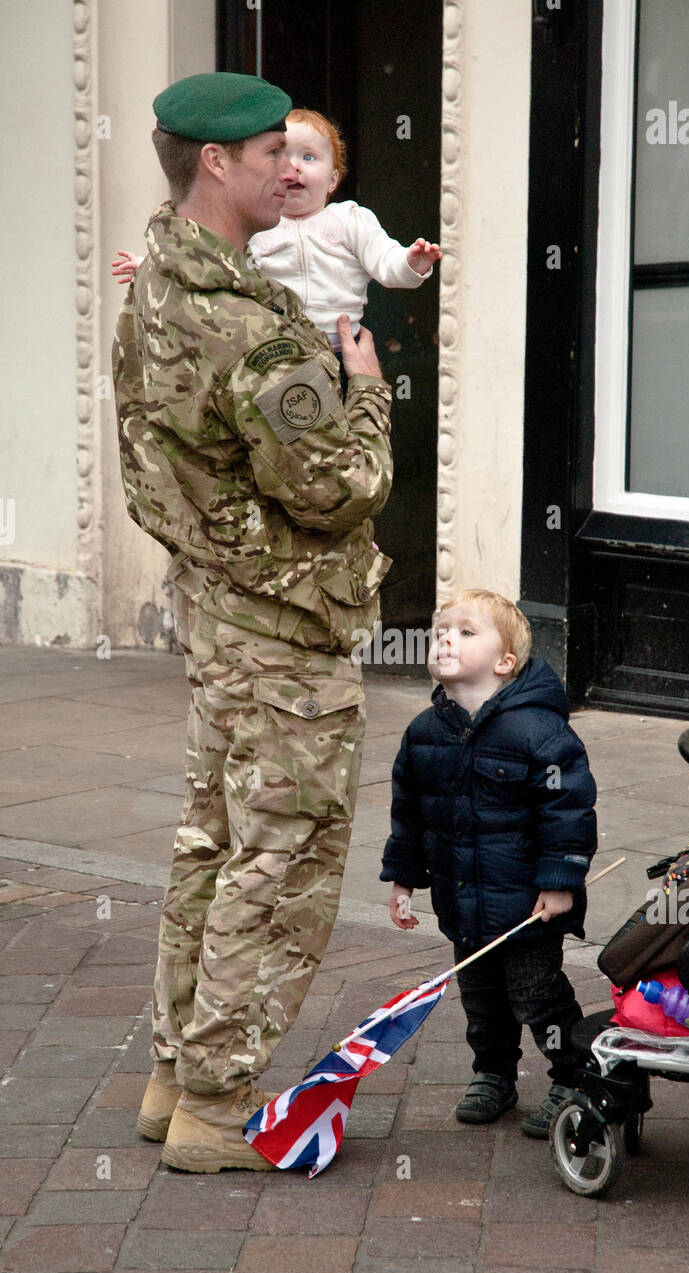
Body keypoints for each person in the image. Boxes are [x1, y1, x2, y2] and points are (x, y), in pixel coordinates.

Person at [113, 71, 394, 1173]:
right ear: (212, 164)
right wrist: (363, 389)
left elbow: (151, 472)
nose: (293, 167)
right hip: (286, 622)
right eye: (270, 151)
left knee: (213, 841)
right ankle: (218, 1109)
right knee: (279, 857)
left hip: (220, 608)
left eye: (296, 150)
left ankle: (174, 1077)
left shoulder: (158, 283)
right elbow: (339, 487)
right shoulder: (252, 330)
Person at [380, 590, 598, 1136]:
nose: (446, 638)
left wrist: (560, 881)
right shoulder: (423, 734)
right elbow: (409, 815)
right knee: (480, 998)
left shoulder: (537, 731)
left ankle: (573, 1077)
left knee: (538, 997)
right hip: (463, 899)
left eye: (466, 631)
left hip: (527, 903)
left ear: (505, 662)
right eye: (439, 631)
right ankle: (493, 1073)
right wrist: (404, 877)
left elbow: (569, 809)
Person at [112, 107, 441, 360]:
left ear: (332, 180)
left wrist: (412, 262)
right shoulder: (256, 225)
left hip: (340, 351)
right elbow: (209, 264)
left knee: (342, 431)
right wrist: (150, 266)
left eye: (309, 157)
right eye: (281, 156)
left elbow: (385, 261)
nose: (294, 167)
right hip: (273, 348)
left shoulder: (351, 219)